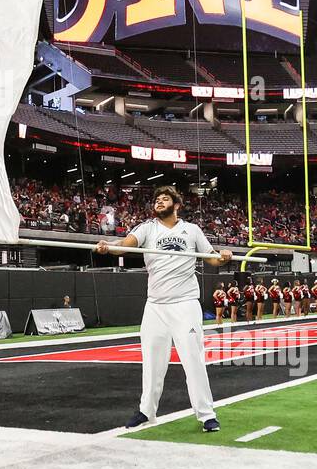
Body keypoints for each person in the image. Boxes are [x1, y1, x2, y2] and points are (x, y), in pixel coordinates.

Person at [98, 185, 232, 432]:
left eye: (165, 199)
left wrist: (223, 256)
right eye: (157, 199)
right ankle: (146, 412)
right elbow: (125, 245)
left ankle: (206, 414)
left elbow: (211, 257)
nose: (159, 202)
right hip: (156, 305)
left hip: (185, 304)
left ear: (176, 205)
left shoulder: (191, 230)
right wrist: (109, 247)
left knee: (192, 360)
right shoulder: (147, 228)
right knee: (152, 361)